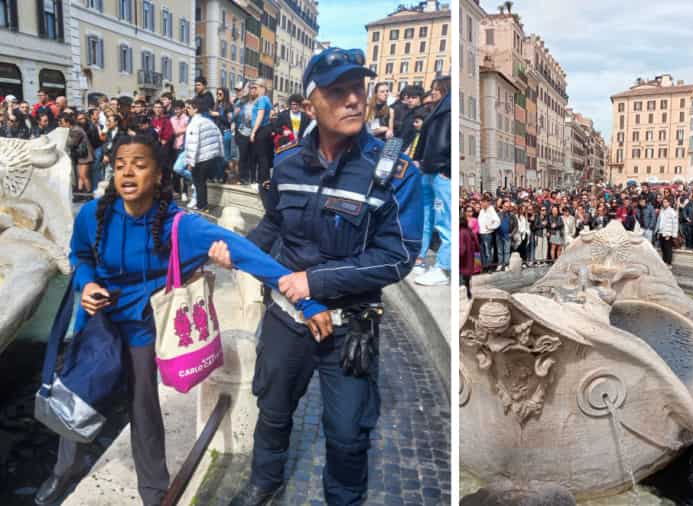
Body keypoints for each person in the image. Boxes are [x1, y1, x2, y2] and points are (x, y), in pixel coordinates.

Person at [34, 133, 323, 506]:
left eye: (139, 165)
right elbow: (79, 256)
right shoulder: (93, 214)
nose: (127, 173)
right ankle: (65, 469)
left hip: (141, 329)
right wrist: (87, 283)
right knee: (76, 393)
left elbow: (247, 253)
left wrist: (304, 299)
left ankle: (154, 491)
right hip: (97, 322)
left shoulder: (180, 226)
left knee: (143, 407)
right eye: (120, 165)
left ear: (158, 175)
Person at [215, 47, 422, 506]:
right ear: (310, 105)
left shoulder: (396, 173)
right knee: (273, 410)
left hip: (349, 326)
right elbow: (274, 225)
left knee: (348, 434)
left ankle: (343, 500)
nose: (353, 100)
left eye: (358, 89)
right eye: (337, 91)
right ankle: (265, 482)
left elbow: (398, 256)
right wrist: (238, 252)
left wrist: (315, 283)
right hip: (286, 317)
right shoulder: (287, 162)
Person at [413, 77, 451, 286]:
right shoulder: (436, 110)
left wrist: (448, 169)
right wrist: (419, 160)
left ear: (444, 90)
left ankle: (443, 268)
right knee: (425, 217)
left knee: (444, 221)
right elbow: (427, 140)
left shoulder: (448, 109)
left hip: (440, 171)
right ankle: (419, 258)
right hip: (429, 170)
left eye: (435, 89)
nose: (432, 92)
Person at [183, 98, 224, 212]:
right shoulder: (208, 121)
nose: (187, 110)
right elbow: (218, 136)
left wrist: (190, 162)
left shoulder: (194, 124)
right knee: (202, 182)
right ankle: (203, 205)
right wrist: (219, 153)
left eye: (189, 108)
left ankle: (201, 206)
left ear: (196, 109)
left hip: (200, 158)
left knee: (199, 182)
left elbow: (192, 144)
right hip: (210, 157)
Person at [60, 113, 94, 196]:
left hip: (85, 156)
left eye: (62, 123)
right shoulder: (73, 129)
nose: (62, 125)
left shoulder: (76, 130)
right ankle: (80, 193)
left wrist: (63, 137)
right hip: (80, 156)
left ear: (68, 122)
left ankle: (89, 194)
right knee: (80, 176)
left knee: (84, 176)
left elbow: (72, 143)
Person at [459, 214, 479, 298]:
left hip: (463, 263)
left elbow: (461, 250)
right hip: (470, 261)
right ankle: (468, 294)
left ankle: (465, 296)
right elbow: (477, 246)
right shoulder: (470, 231)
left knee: (462, 282)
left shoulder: (460, 233)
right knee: (467, 280)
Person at [478, 196, 500, 270]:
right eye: (482, 202)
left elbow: (497, 221)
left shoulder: (491, 210)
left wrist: (490, 227)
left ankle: (489, 267)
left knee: (488, 251)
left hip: (487, 234)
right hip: (481, 233)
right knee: (482, 251)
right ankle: (485, 266)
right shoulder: (481, 211)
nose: (483, 203)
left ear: (488, 202)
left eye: (484, 202)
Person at [656, 197, 679, 267]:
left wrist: (673, 234)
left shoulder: (672, 211)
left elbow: (675, 224)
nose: (664, 203)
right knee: (663, 248)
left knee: (668, 248)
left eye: (666, 202)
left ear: (669, 203)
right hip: (661, 232)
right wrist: (658, 231)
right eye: (663, 202)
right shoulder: (662, 211)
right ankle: (664, 261)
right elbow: (660, 222)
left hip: (668, 233)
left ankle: (669, 263)